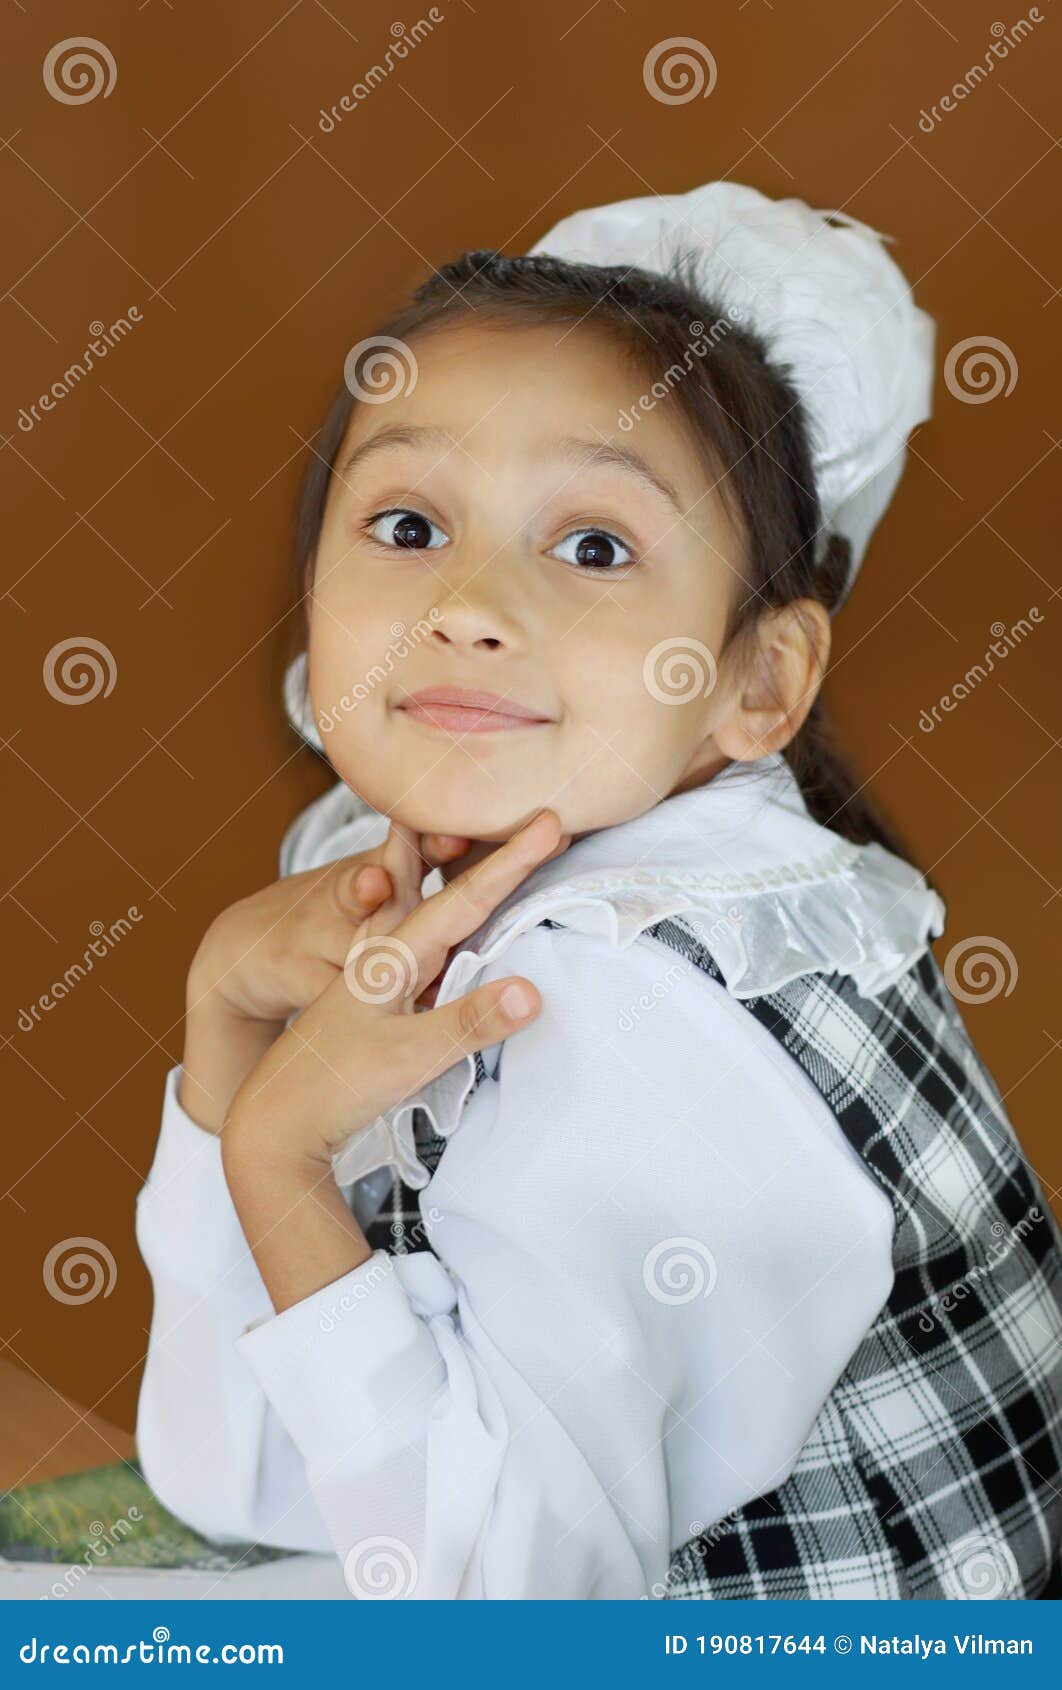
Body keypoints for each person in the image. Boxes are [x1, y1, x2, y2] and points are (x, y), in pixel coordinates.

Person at [134, 181, 1062, 1600]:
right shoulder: (442, 884)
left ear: (756, 681)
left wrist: (277, 1158)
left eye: (592, 546)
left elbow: (518, 1618)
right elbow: (234, 1476)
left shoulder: (619, 988)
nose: (469, 601)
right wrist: (225, 1045)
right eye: (403, 525)